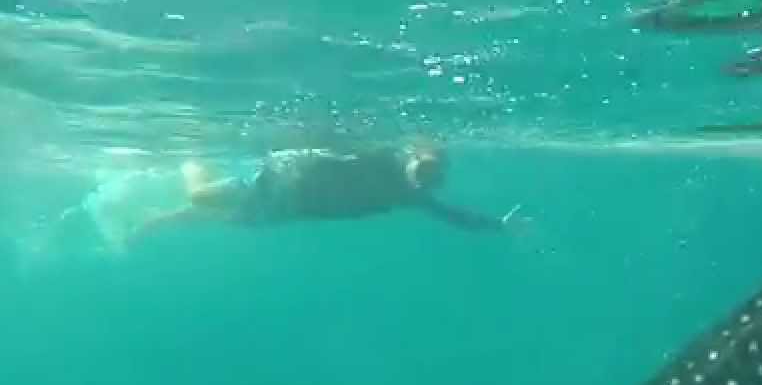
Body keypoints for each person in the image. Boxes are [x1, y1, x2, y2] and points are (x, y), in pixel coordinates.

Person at [133, 140, 522, 240]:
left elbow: (452, 215)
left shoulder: (409, 193)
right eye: (423, 169)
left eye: (430, 178)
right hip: (277, 185)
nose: (422, 180)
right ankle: (191, 159)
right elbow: (322, 149)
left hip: (291, 208)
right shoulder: (378, 157)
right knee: (200, 197)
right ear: (412, 158)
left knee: (227, 218)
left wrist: (499, 225)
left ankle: (157, 220)